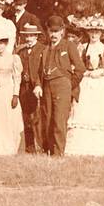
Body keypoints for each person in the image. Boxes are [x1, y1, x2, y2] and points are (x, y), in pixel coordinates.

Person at [65, 16, 104, 156]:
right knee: (83, 111)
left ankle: (99, 148)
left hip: (100, 85)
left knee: (98, 112)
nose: (94, 35)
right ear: (88, 32)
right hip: (86, 83)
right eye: (92, 31)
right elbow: (75, 66)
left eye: (97, 32)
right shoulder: (82, 48)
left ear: (101, 34)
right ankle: (80, 147)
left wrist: (101, 72)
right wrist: (86, 73)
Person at [39, 15, 83, 156]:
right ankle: (49, 151)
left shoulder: (69, 46)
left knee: (59, 120)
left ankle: (58, 153)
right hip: (47, 86)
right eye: (51, 31)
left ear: (62, 31)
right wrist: (38, 85)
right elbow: (40, 71)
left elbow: (80, 69)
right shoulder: (45, 49)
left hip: (62, 86)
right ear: (47, 31)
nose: (53, 34)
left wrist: (69, 84)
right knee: (47, 119)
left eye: (56, 31)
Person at [16, 23, 45, 152]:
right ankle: (29, 145)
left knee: (37, 117)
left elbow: (42, 70)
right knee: (25, 116)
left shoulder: (43, 50)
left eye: (31, 36)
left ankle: (40, 145)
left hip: (37, 87)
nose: (28, 39)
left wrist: (38, 85)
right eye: (26, 36)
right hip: (23, 87)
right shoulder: (20, 51)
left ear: (36, 37)